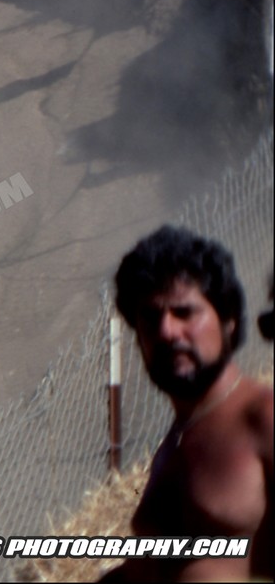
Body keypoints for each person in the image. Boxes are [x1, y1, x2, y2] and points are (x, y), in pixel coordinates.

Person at [104, 225, 273, 582]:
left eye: (185, 312)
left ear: (228, 322)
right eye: (150, 317)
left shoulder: (264, 418)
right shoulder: (175, 441)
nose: (167, 331)